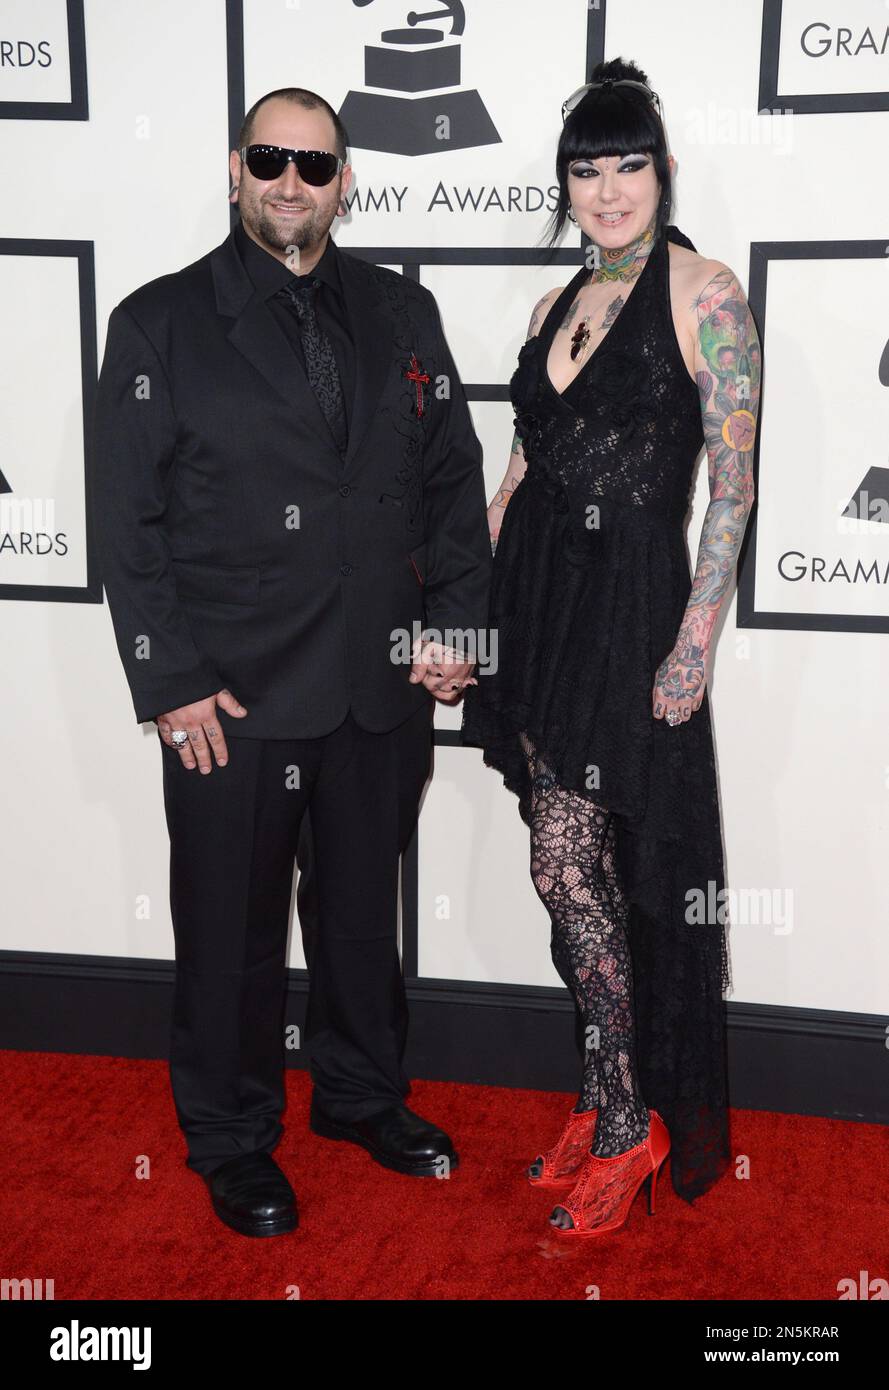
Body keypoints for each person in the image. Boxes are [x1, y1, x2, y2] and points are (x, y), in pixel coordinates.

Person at [91, 87, 491, 1237]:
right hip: (233, 696)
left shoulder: (402, 313)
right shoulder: (160, 322)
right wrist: (165, 680)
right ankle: (229, 1135)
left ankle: (361, 1096)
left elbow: (453, 480)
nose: (290, 182)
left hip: (378, 683)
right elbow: (127, 522)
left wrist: (458, 623)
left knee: (364, 919)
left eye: (314, 165)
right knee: (230, 931)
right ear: (234, 169)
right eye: (270, 158)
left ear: (345, 181)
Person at [460, 56, 759, 1237]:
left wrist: (692, 644)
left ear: (662, 170)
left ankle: (632, 1127)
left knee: (576, 866)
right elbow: (519, 475)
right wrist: (466, 610)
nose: (606, 188)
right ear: (566, 187)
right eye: (585, 170)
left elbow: (730, 488)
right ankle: (603, 1096)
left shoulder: (706, 294)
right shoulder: (551, 309)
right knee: (561, 857)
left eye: (626, 164)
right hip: (538, 605)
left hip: (631, 610)